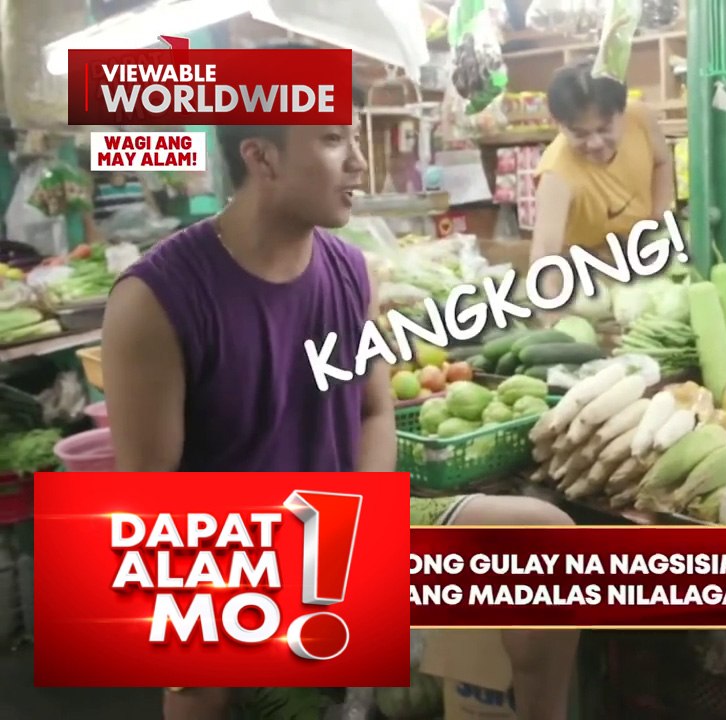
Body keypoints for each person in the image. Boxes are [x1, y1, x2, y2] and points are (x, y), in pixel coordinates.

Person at [102, 50, 577, 720]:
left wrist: (358, 528)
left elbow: (375, 411)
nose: (358, 162)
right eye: (332, 140)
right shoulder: (155, 301)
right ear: (261, 157)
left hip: (344, 528)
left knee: (548, 541)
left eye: (353, 136)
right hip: (241, 570)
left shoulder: (352, 273)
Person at [530, 59, 674, 308]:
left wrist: (656, 222)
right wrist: (551, 312)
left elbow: (662, 162)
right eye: (580, 134)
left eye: (604, 128)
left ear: (622, 112)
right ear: (560, 125)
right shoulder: (556, 174)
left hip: (640, 248)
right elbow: (544, 254)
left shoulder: (639, 118)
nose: (595, 143)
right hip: (586, 269)